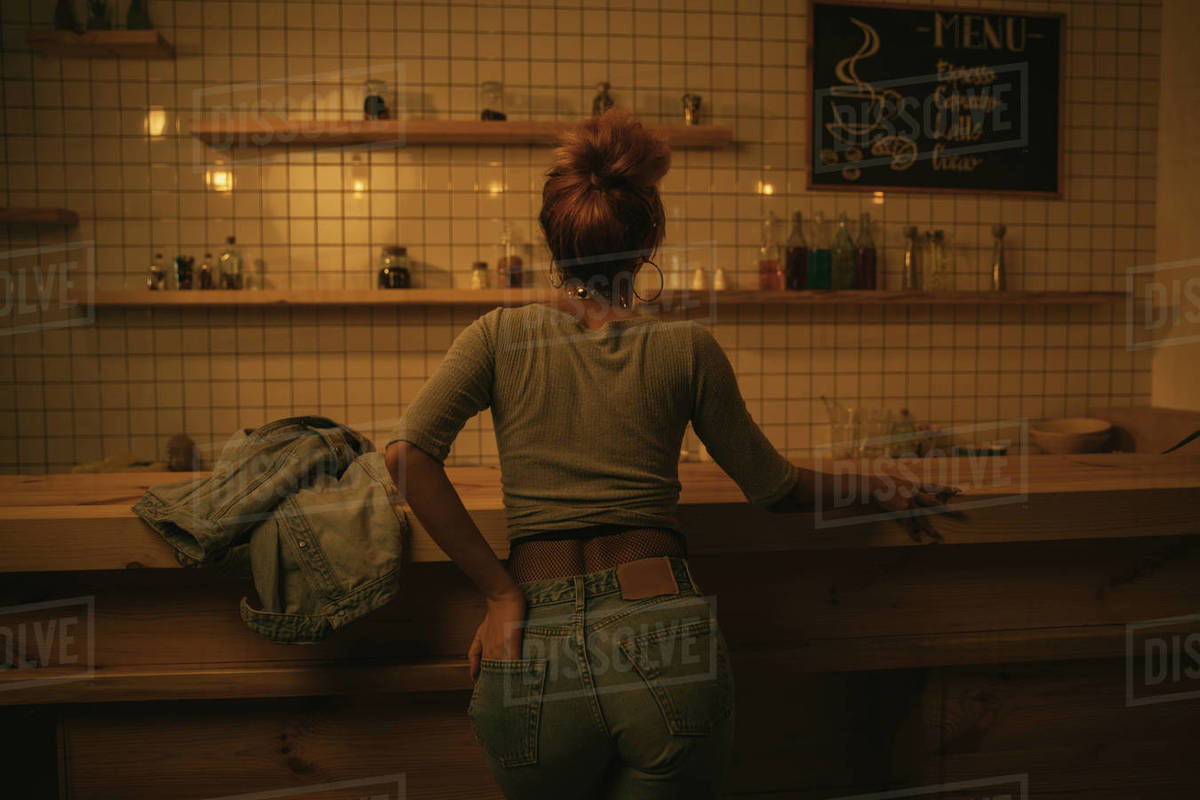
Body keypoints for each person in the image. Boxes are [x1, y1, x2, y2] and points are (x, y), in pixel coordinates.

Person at [383, 110, 956, 799]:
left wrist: (500, 593)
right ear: (649, 235)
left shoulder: (497, 336)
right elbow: (775, 487)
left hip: (532, 637)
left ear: (551, 235)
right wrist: (881, 486)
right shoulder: (687, 349)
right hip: (662, 631)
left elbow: (407, 457)